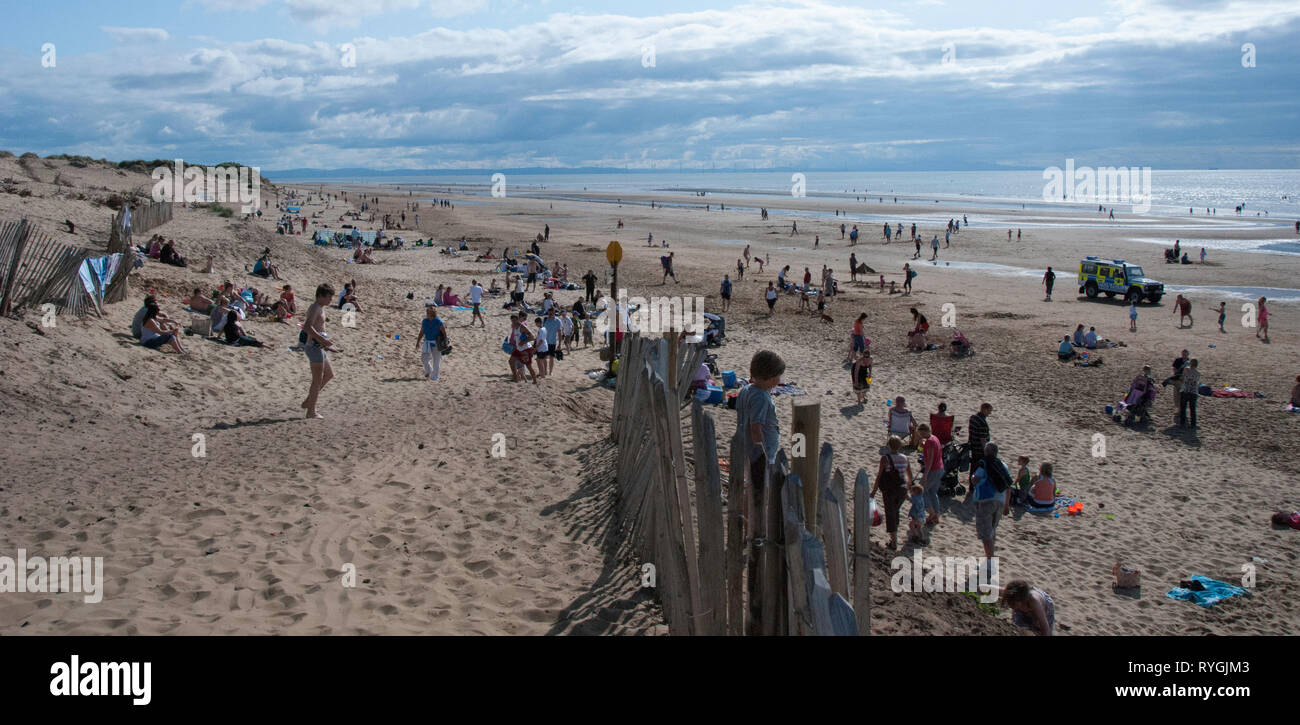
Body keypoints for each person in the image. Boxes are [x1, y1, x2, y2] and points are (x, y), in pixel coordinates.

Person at [736, 350, 784, 629]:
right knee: (759, 493)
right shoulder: (761, 396)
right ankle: (754, 529)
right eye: (777, 376)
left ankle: (746, 526)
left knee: (748, 489)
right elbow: (756, 426)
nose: (779, 380)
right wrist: (763, 453)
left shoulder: (746, 390)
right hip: (759, 456)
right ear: (768, 376)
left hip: (749, 452)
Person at [869, 435, 913, 549]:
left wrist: (874, 491)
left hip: (890, 489)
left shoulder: (885, 459)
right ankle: (894, 535)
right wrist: (908, 491)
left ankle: (894, 542)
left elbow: (879, 476)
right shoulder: (905, 458)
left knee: (890, 513)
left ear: (889, 445)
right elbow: (910, 477)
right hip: (902, 489)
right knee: (896, 511)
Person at [301, 284, 338, 419]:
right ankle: (311, 411)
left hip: (319, 347)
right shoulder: (315, 307)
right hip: (313, 347)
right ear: (321, 296)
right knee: (316, 381)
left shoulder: (321, 308)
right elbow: (307, 327)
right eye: (329, 297)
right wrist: (323, 340)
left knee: (329, 374)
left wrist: (325, 343)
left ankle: (309, 400)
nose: (331, 300)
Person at [968, 442, 1011, 557]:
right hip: (1000, 501)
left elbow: (975, 479)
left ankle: (990, 561)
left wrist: (972, 478)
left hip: (985, 500)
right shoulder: (1003, 465)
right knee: (992, 529)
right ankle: (990, 557)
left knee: (985, 533)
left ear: (986, 452)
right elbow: (1008, 486)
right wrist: (1007, 505)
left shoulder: (984, 463)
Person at [917, 422, 944, 526]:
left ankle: (932, 514)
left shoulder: (930, 442)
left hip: (933, 470)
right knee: (933, 492)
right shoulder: (934, 438)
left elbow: (930, 460)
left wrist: (925, 475)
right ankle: (936, 515)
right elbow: (921, 451)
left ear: (924, 431)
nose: (920, 435)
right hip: (940, 468)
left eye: (920, 433)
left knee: (921, 491)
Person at [415, 305, 446, 381]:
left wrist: (445, 341)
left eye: (428, 313)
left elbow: (444, 332)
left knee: (436, 361)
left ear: (433, 314)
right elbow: (421, 332)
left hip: (437, 343)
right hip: (427, 342)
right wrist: (418, 341)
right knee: (424, 358)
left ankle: (435, 377)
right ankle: (429, 371)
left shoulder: (438, 321)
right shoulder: (425, 321)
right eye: (427, 312)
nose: (427, 314)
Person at [508, 314, 539, 384]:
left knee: (528, 366)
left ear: (518, 319)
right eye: (512, 321)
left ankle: (535, 381)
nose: (513, 322)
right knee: (511, 361)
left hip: (526, 349)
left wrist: (523, 342)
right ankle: (515, 378)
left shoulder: (522, 327)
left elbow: (532, 337)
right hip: (519, 349)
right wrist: (514, 347)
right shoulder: (515, 328)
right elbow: (517, 340)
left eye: (515, 320)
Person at [967, 403, 992, 486]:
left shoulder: (973, 418)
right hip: (979, 449)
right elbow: (983, 440)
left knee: (973, 467)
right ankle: (975, 486)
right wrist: (986, 452)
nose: (990, 413)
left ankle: (971, 484)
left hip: (973, 446)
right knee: (979, 468)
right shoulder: (982, 423)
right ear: (985, 409)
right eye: (989, 410)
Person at [1178, 358, 1201, 428]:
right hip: (1193, 391)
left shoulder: (1186, 369)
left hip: (1185, 390)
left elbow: (1182, 377)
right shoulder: (1198, 373)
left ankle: (1182, 423)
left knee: (1183, 408)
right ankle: (1193, 424)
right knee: (1193, 409)